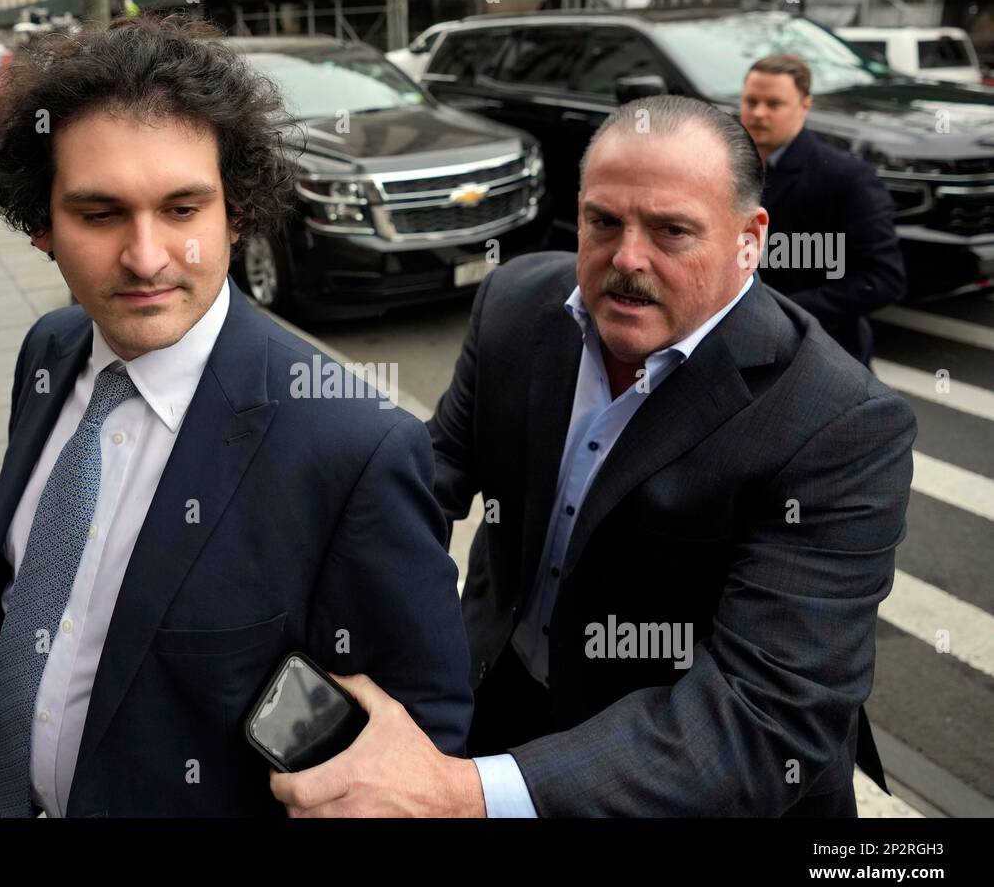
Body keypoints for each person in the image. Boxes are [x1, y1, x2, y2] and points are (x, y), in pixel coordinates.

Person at [270, 96, 916, 817]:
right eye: (603, 222)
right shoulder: (516, 302)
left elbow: (762, 717)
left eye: (672, 231)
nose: (627, 259)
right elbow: (426, 480)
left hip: (685, 776)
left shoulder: (840, 423)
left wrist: (464, 794)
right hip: (494, 693)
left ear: (750, 237)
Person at [0, 12, 472, 818]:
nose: (145, 257)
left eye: (181, 210)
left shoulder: (355, 447)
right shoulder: (50, 350)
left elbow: (419, 750)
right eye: (99, 215)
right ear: (42, 226)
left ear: (234, 214)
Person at [740, 53, 907, 367]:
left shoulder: (848, 178)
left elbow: (883, 278)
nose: (758, 113)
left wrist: (783, 310)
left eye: (774, 104)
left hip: (820, 353)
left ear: (805, 106)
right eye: (751, 101)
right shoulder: (730, 166)